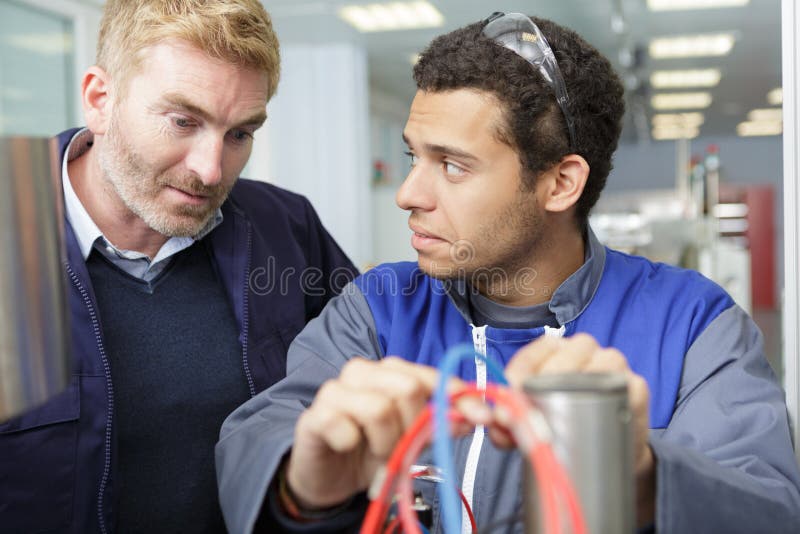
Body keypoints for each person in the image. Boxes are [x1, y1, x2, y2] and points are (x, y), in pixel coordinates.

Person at [215, 12, 800, 534]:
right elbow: (259, 438)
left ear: (560, 183)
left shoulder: (693, 323)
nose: (407, 193)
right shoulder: (377, 308)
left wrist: (641, 476)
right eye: (413, 156)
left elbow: (768, 508)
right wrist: (305, 483)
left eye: (452, 165)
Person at [0, 1, 357, 532]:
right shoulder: (12, 227)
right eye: (182, 121)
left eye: (240, 134)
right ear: (101, 99)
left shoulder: (285, 227)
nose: (210, 171)